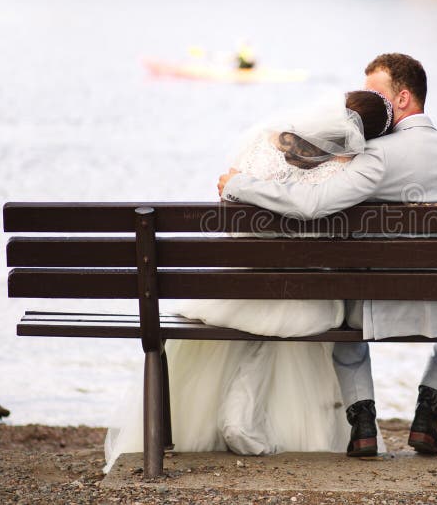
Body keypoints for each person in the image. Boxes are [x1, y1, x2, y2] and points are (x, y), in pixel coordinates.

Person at [103, 90, 394, 473]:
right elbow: (316, 220)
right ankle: (244, 418)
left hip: (231, 294)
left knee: (261, 308)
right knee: (298, 309)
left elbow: (230, 206)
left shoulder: (263, 142)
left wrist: (242, 191)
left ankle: (226, 419)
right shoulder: (347, 172)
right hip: (304, 301)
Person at [219, 53, 437, 458]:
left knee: (345, 322)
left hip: (378, 302)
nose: (359, 108)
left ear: (404, 98)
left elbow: (311, 203)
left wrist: (243, 185)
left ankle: (363, 428)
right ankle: (427, 419)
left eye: (375, 95)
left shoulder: (378, 157)